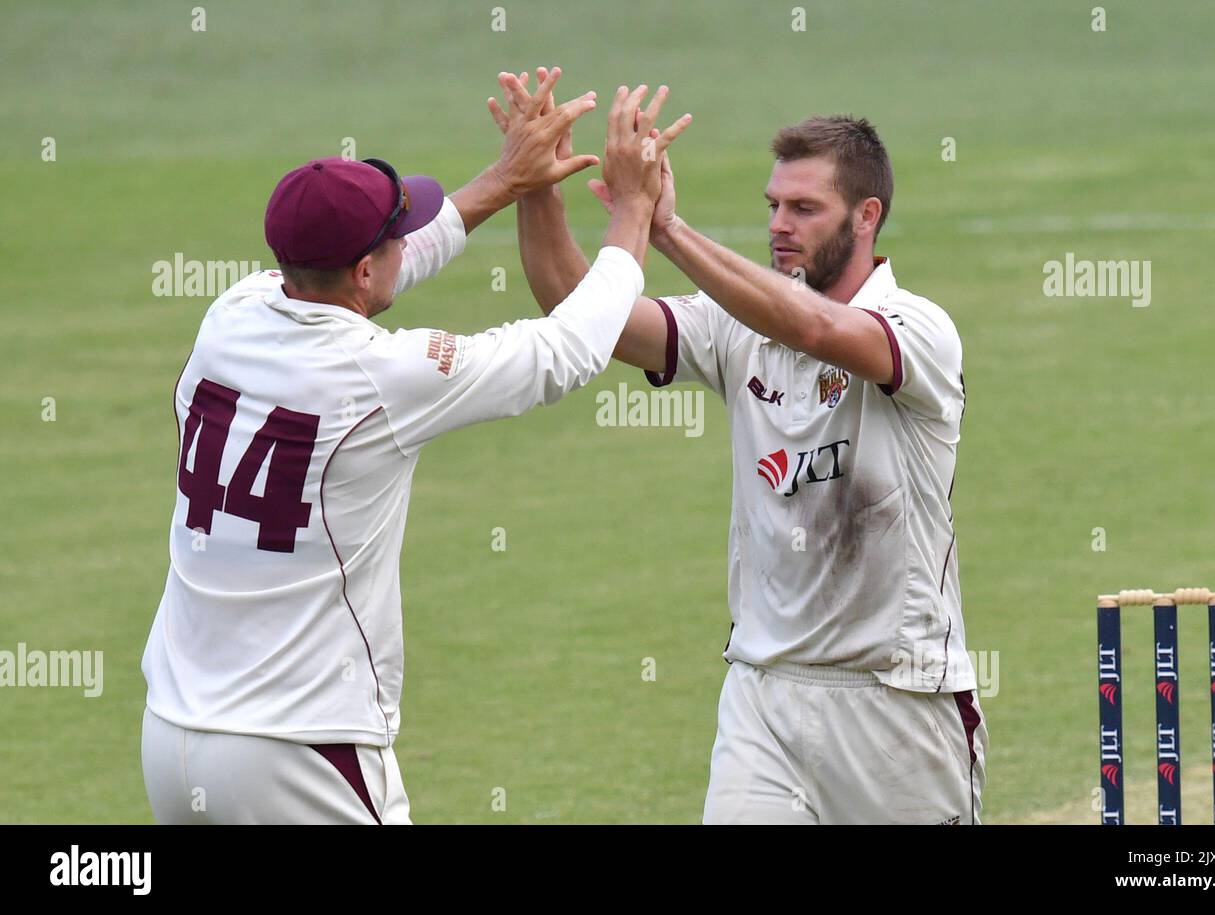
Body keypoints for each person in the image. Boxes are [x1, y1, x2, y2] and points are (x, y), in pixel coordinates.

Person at [140, 69, 690, 824]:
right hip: (300, 748)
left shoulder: (231, 312)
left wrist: (507, 181)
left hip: (172, 734)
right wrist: (631, 211)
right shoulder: (380, 376)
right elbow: (566, 350)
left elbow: (381, 268)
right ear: (365, 269)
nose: (408, 241)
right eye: (395, 235)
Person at [503, 82, 985, 824]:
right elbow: (579, 311)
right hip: (764, 692)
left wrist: (664, 230)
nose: (780, 226)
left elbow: (819, 332)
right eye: (773, 207)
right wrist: (536, 189)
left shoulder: (917, 326)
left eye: (804, 209)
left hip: (897, 695)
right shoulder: (739, 324)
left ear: (867, 216)